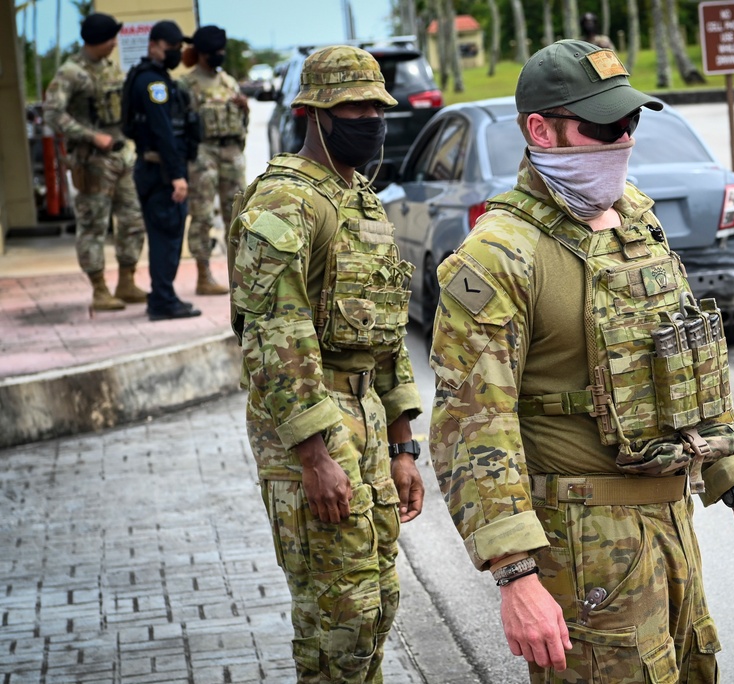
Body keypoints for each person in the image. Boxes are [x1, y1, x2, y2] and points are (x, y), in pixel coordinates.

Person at [429, 39, 734, 683]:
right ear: (542, 130)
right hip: (583, 545)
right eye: (601, 126)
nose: (622, 139)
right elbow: (472, 432)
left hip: (671, 527)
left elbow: (688, 368)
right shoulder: (498, 257)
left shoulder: (634, 221)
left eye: (630, 122)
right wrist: (516, 577)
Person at [228, 45, 424, 684]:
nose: (370, 117)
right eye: (353, 107)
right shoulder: (284, 202)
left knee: (376, 605)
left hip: (366, 420)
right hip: (310, 429)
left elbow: (387, 333)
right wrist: (314, 455)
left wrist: (403, 445)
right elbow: (272, 335)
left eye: (376, 105)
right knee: (336, 618)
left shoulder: (360, 198)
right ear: (312, 112)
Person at [44, 12, 147, 311]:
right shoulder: (71, 72)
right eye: (111, 38)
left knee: (132, 220)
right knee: (93, 226)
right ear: (96, 40)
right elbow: (52, 113)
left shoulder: (109, 66)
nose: (115, 43)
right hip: (91, 162)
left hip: (122, 157)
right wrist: (90, 136)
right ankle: (99, 289)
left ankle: (126, 281)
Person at [123, 20, 201, 320]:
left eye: (179, 48)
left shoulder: (144, 76)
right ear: (154, 45)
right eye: (172, 48)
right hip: (161, 171)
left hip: (153, 167)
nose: (176, 53)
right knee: (167, 236)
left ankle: (163, 297)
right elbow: (163, 132)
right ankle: (163, 301)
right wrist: (177, 176)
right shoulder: (153, 83)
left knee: (164, 235)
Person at [178, 25, 248, 296]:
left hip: (231, 152)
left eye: (222, 51)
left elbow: (242, 124)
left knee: (239, 215)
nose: (219, 55)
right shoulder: (186, 85)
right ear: (202, 54)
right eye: (214, 52)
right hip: (203, 155)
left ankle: (240, 273)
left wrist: (243, 110)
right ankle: (203, 274)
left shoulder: (228, 81)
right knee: (203, 215)